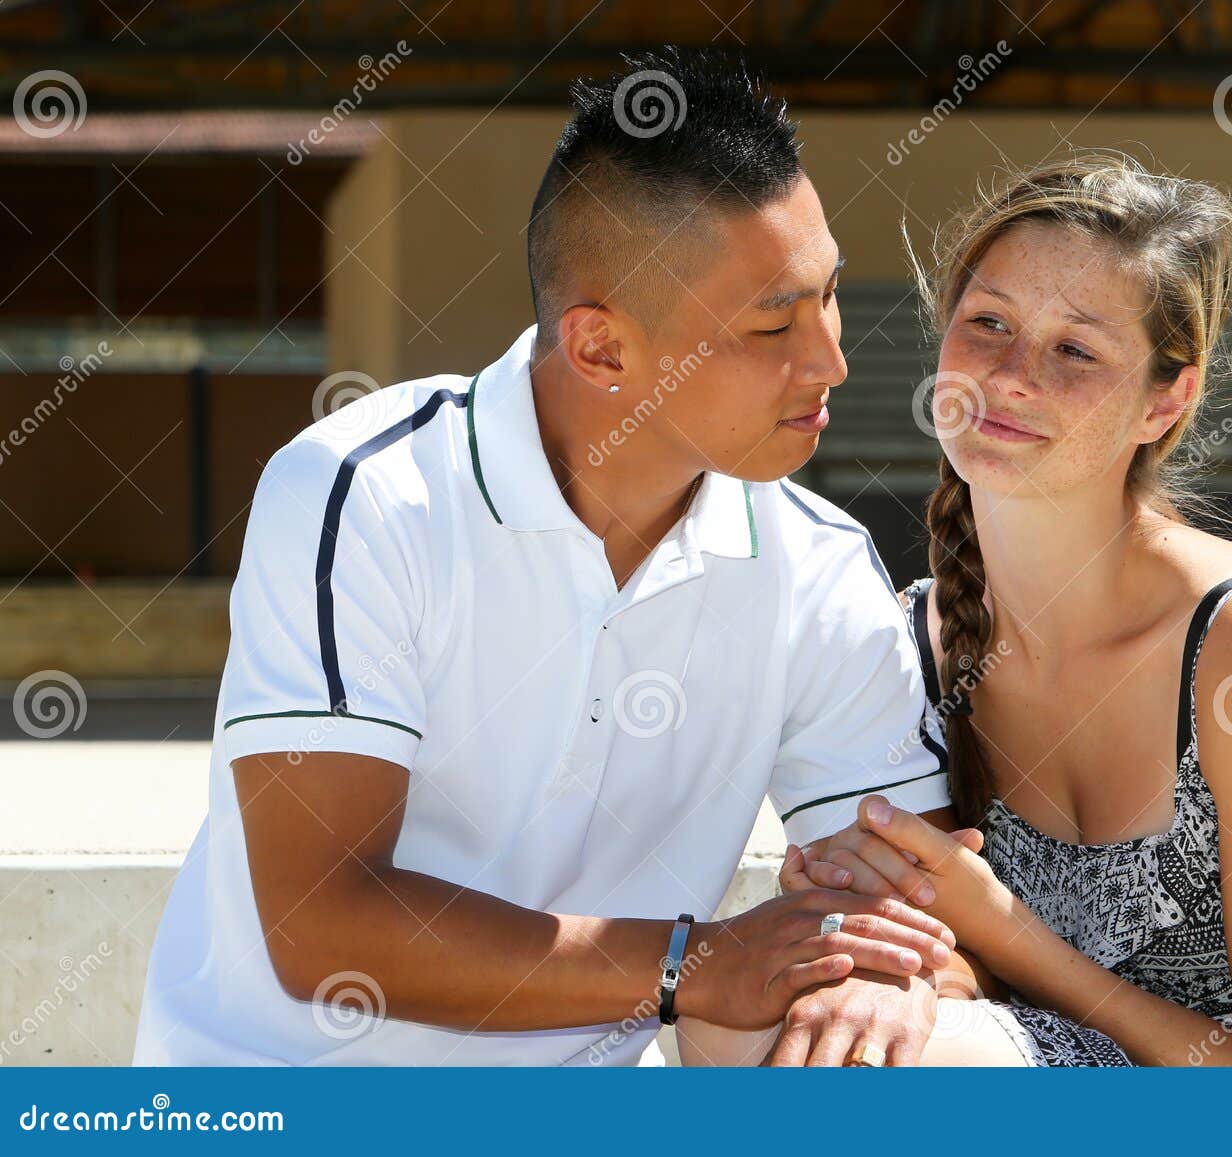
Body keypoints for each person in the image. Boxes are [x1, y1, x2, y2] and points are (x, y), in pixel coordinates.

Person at [132, 48, 973, 1068]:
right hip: (283, 1101)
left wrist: (889, 969)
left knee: (906, 1050)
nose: (831, 358)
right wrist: (687, 962)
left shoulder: (818, 563)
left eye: (828, 294)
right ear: (601, 348)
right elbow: (321, 923)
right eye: (771, 321)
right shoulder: (365, 491)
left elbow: (916, 896)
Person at [781, 153, 1232, 1066]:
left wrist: (1001, 931)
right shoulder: (911, 639)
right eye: (988, 322)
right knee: (765, 1003)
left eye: (1075, 349)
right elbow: (943, 961)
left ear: (1166, 399)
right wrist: (878, 941)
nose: (1012, 374)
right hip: (1085, 1067)